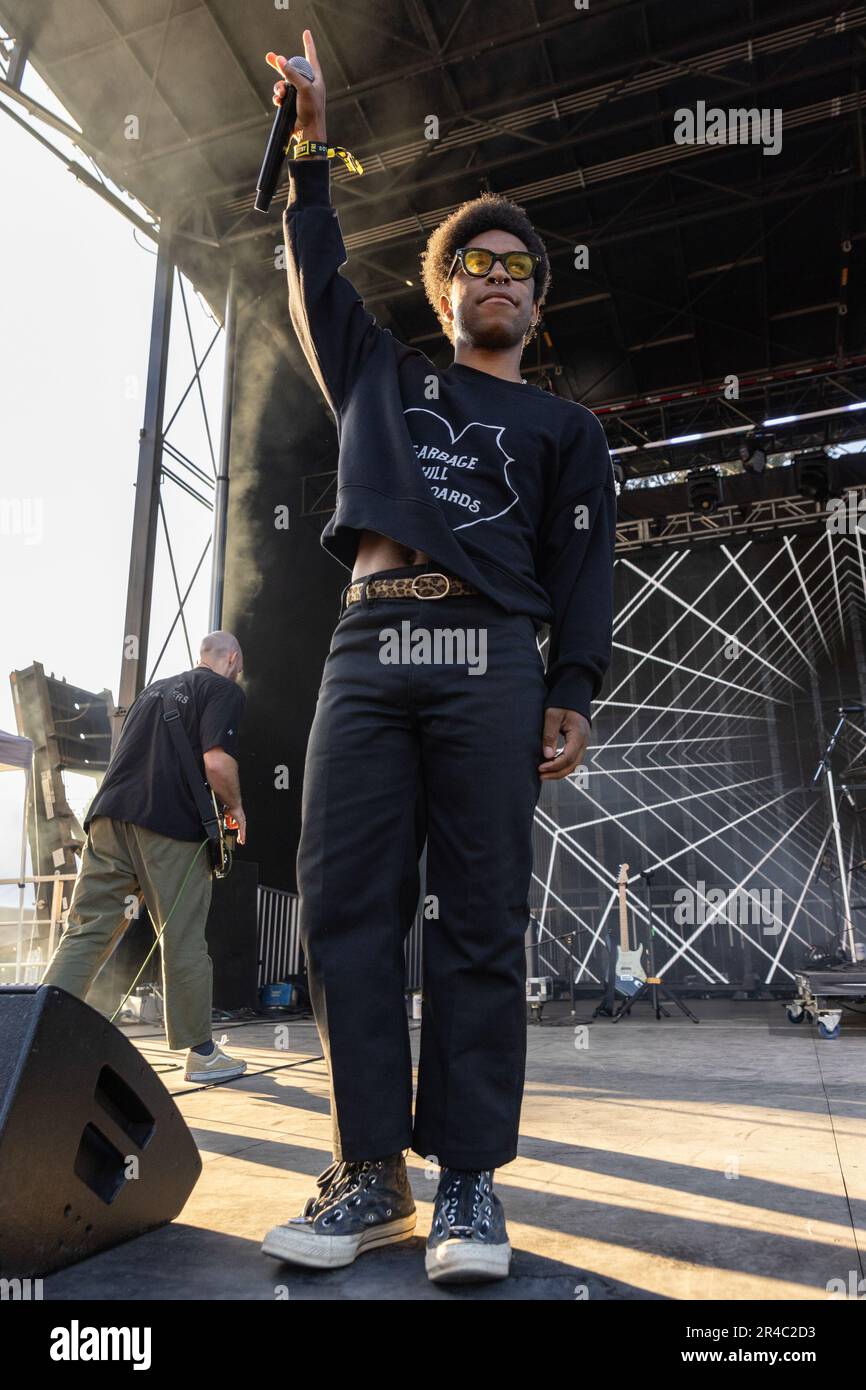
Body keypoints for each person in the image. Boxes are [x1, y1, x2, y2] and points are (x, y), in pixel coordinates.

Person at [260, 32, 616, 1284]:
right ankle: (372, 1174)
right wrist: (306, 149)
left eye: (521, 267)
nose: (502, 278)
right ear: (444, 284)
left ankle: (467, 1181)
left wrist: (571, 688)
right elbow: (311, 273)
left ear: (538, 297)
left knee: (477, 917)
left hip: (490, 659)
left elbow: (582, 570)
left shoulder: (566, 430)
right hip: (370, 641)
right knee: (345, 905)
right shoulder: (382, 374)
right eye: (478, 262)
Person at [42, 632, 248, 1085]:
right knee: (183, 937)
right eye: (239, 665)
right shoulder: (223, 689)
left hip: (108, 816)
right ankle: (202, 1054)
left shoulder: (152, 691)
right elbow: (216, 763)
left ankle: (38, 1037)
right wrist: (234, 807)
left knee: (87, 932)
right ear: (231, 658)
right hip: (168, 822)